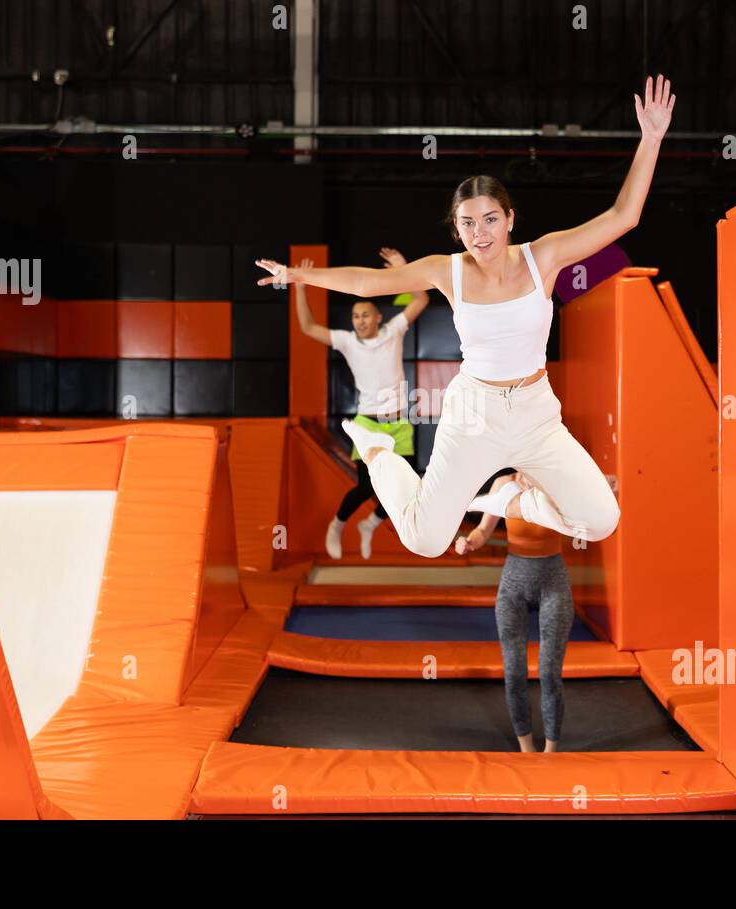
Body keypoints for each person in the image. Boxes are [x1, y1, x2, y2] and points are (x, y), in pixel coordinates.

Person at [258, 75, 676, 559]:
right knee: (425, 540)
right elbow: (370, 284)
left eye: (491, 219)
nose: (481, 233)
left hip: (536, 413)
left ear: (510, 219)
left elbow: (623, 216)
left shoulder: (544, 257)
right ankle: (376, 450)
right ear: (456, 229)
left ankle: (510, 499)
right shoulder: (447, 271)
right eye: (468, 222)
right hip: (474, 413)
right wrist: (298, 276)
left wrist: (651, 139)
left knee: (601, 520)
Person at [292, 250, 429, 559]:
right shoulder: (346, 340)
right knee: (367, 486)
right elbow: (308, 328)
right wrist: (300, 286)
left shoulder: (393, 331)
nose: (360, 320)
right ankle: (338, 525)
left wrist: (401, 269)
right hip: (367, 422)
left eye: (366, 314)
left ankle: (370, 523)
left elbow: (420, 300)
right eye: (355, 316)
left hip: (398, 421)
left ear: (378, 317)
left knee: (408, 483)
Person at [456, 472, 573, 752]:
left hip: (552, 579)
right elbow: (484, 530)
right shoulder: (503, 485)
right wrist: (470, 540)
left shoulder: (556, 480)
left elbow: (576, 522)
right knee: (514, 671)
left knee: (549, 671)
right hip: (514, 581)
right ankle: (527, 749)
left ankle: (551, 751)